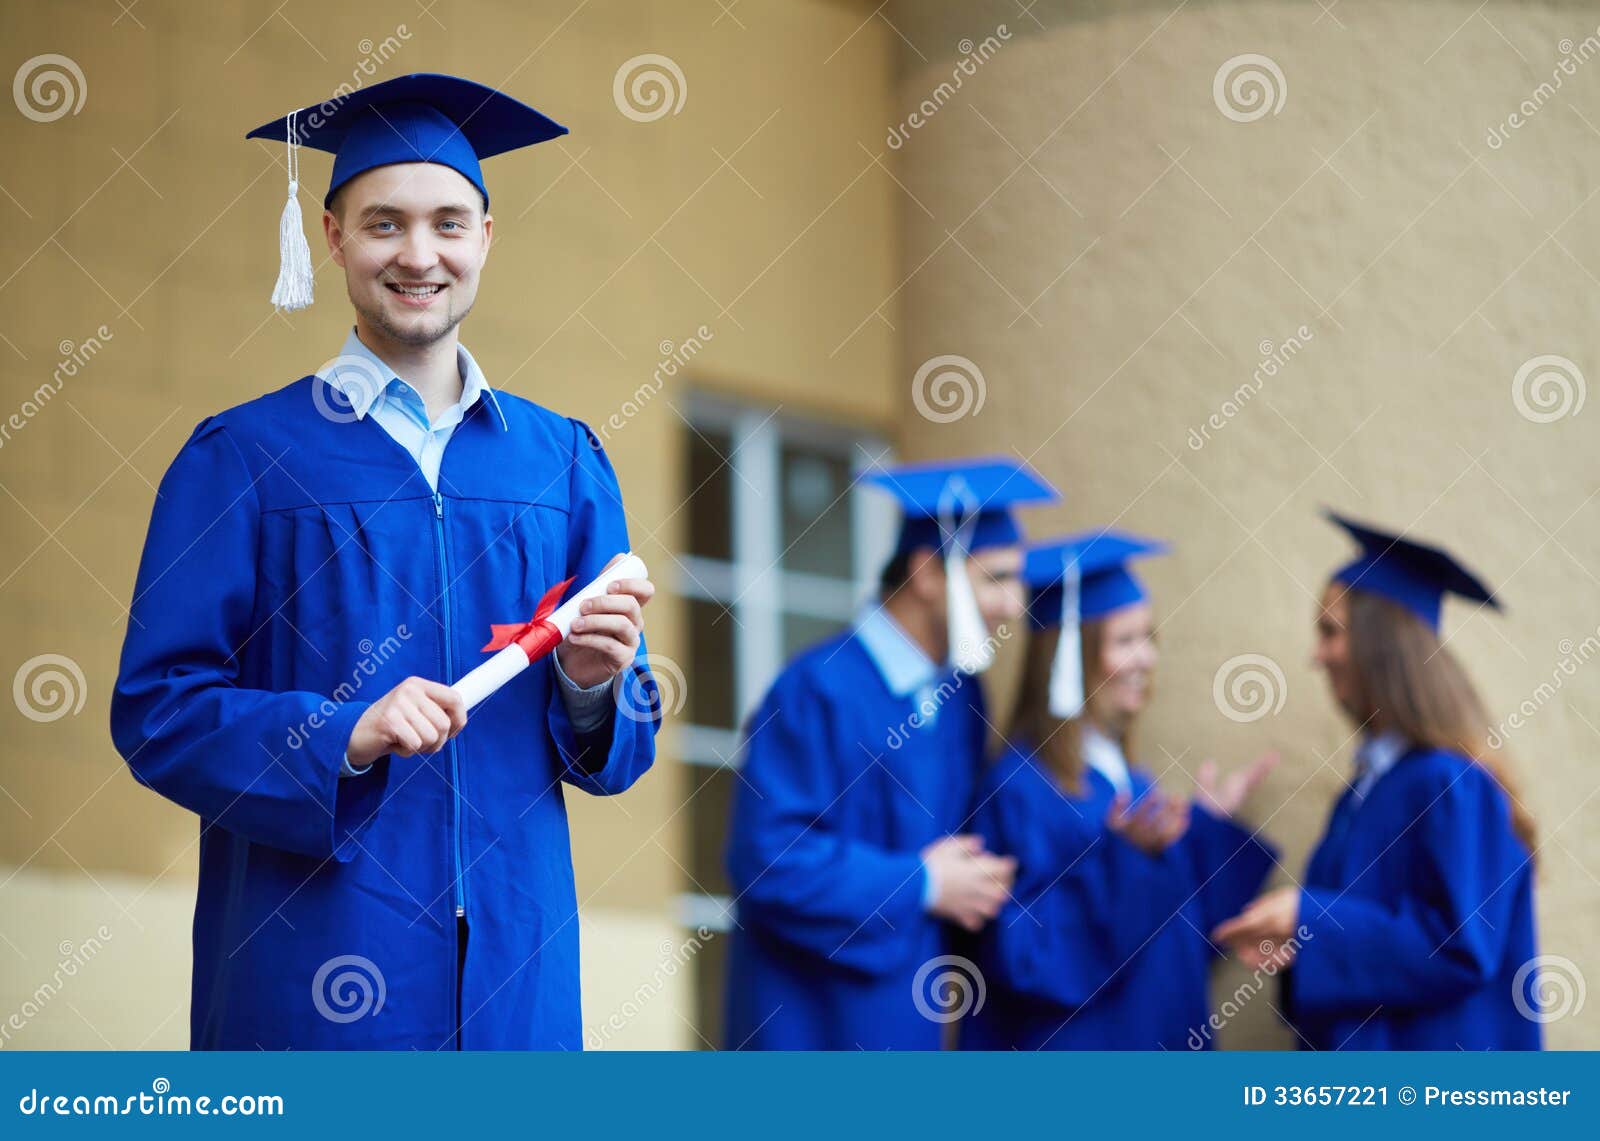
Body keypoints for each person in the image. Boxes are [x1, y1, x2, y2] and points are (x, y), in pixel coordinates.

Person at [110, 74, 659, 1050]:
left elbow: (620, 749)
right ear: (332, 238)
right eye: (383, 224)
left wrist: (589, 682)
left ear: (486, 237)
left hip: (514, 980)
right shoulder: (244, 458)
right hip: (310, 967)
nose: (418, 254)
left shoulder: (562, 462)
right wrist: (342, 732)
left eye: (448, 223)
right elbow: (160, 711)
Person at [723, 457, 1057, 1049]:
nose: (1013, 605)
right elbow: (769, 860)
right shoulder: (816, 689)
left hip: (906, 1013)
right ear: (927, 573)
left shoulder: (961, 696)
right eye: (996, 579)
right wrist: (921, 883)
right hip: (810, 1023)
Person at [1213, 512, 1541, 1050]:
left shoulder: (1452, 783)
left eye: (1330, 631)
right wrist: (1299, 940)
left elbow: (1460, 945)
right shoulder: (1369, 787)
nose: (1317, 656)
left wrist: (1310, 918)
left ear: (1382, 645)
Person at [964, 529, 1278, 1050]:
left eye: (1149, 638)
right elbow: (1024, 957)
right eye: (1126, 641)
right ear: (1070, 655)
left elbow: (1174, 930)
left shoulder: (1126, 777)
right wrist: (1125, 861)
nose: (1147, 658)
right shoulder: (1019, 789)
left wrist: (1204, 831)